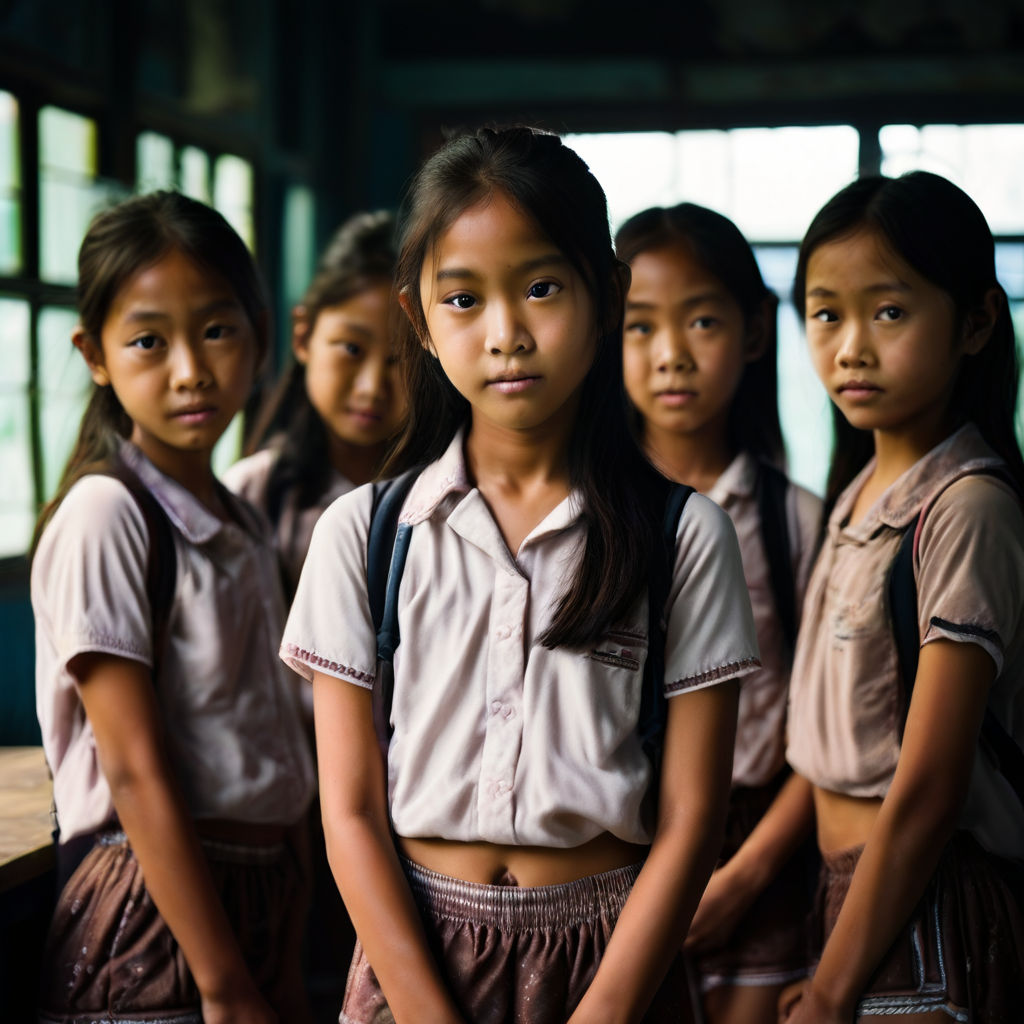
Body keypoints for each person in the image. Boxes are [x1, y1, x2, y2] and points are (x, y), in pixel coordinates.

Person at [280, 125, 760, 1024]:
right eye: (462, 300)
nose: (505, 335)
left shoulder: (684, 537)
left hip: (611, 962)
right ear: (418, 321)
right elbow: (347, 813)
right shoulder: (365, 534)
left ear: (605, 295)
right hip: (411, 956)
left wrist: (605, 1010)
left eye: (541, 289)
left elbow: (694, 822)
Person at [32, 190, 316, 1024]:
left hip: (260, 896)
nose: (191, 368)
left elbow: (273, 739)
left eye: (218, 331)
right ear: (95, 353)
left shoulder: (241, 518)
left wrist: (280, 955)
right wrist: (225, 984)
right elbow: (135, 770)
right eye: (149, 341)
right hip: (156, 907)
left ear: (259, 334)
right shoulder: (107, 514)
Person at [782, 170, 1024, 1023]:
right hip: (848, 896)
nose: (850, 346)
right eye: (824, 313)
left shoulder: (968, 507)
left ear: (977, 322)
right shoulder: (854, 498)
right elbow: (819, 752)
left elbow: (926, 789)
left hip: (928, 900)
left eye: (889, 311)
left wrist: (834, 989)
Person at [615, 203, 820, 1024]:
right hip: (615, 844)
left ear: (756, 330)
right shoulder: (582, 514)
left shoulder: (793, 520)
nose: (671, 355)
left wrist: (739, 879)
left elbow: (825, 735)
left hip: (757, 855)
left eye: (701, 320)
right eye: (637, 327)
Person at [224, 209, 405, 602]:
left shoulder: (447, 500)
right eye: (352, 349)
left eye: (401, 360)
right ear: (303, 335)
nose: (372, 387)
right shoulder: (249, 498)